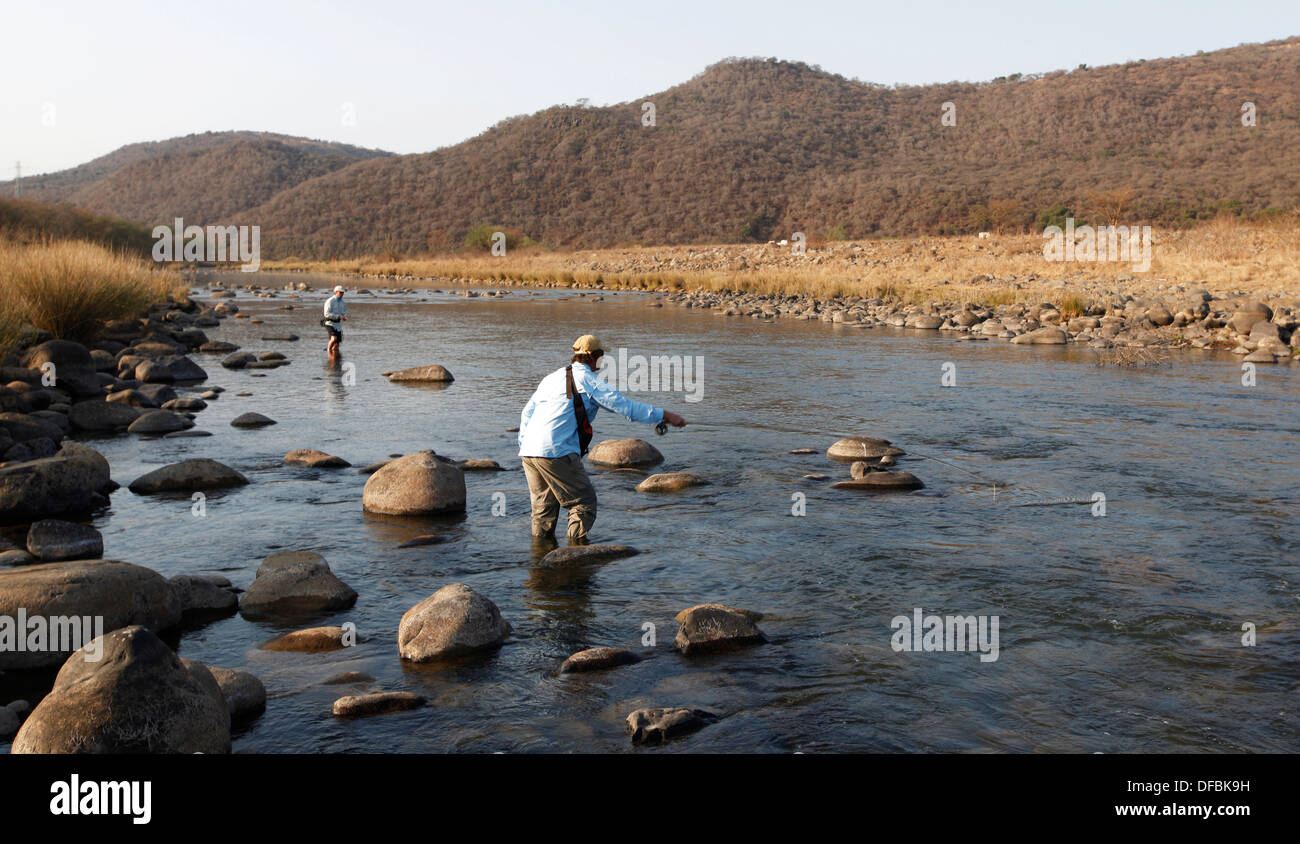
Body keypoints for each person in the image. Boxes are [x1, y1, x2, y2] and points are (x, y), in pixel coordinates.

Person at [518, 335, 686, 546]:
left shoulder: (551, 378)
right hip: (556, 451)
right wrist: (666, 416)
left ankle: (541, 561)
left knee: (543, 510)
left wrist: (524, 444)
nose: (602, 361)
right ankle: (574, 557)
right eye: (601, 356)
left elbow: (527, 413)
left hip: (529, 451)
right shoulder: (589, 381)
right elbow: (626, 408)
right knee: (584, 503)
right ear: (592, 357)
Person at [323, 285, 348, 354]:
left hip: (338, 325)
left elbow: (344, 313)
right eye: (340, 292)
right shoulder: (330, 301)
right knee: (333, 338)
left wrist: (344, 317)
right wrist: (338, 317)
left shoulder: (342, 302)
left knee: (337, 345)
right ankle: (328, 352)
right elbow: (326, 314)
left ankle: (334, 359)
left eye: (343, 292)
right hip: (329, 323)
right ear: (335, 292)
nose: (342, 294)